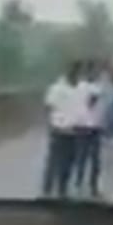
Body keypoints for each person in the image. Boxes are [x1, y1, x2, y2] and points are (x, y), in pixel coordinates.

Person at [40, 61, 90, 198]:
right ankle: (47, 191)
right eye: (74, 72)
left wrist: (84, 124)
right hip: (59, 130)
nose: (77, 75)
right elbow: (48, 106)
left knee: (69, 162)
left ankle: (62, 190)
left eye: (79, 72)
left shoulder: (81, 89)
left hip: (75, 131)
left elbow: (82, 109)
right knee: (54, 161)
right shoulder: (57, 88)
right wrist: (51, 124)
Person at [71, 59, 108, 196]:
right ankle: (93, 187)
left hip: (81, 126)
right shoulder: (94, 88)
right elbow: (92, 102)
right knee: (94, 159)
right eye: (94, 71)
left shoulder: (78, 87)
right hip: (92, 127)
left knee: (82, 157)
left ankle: (79, 185)